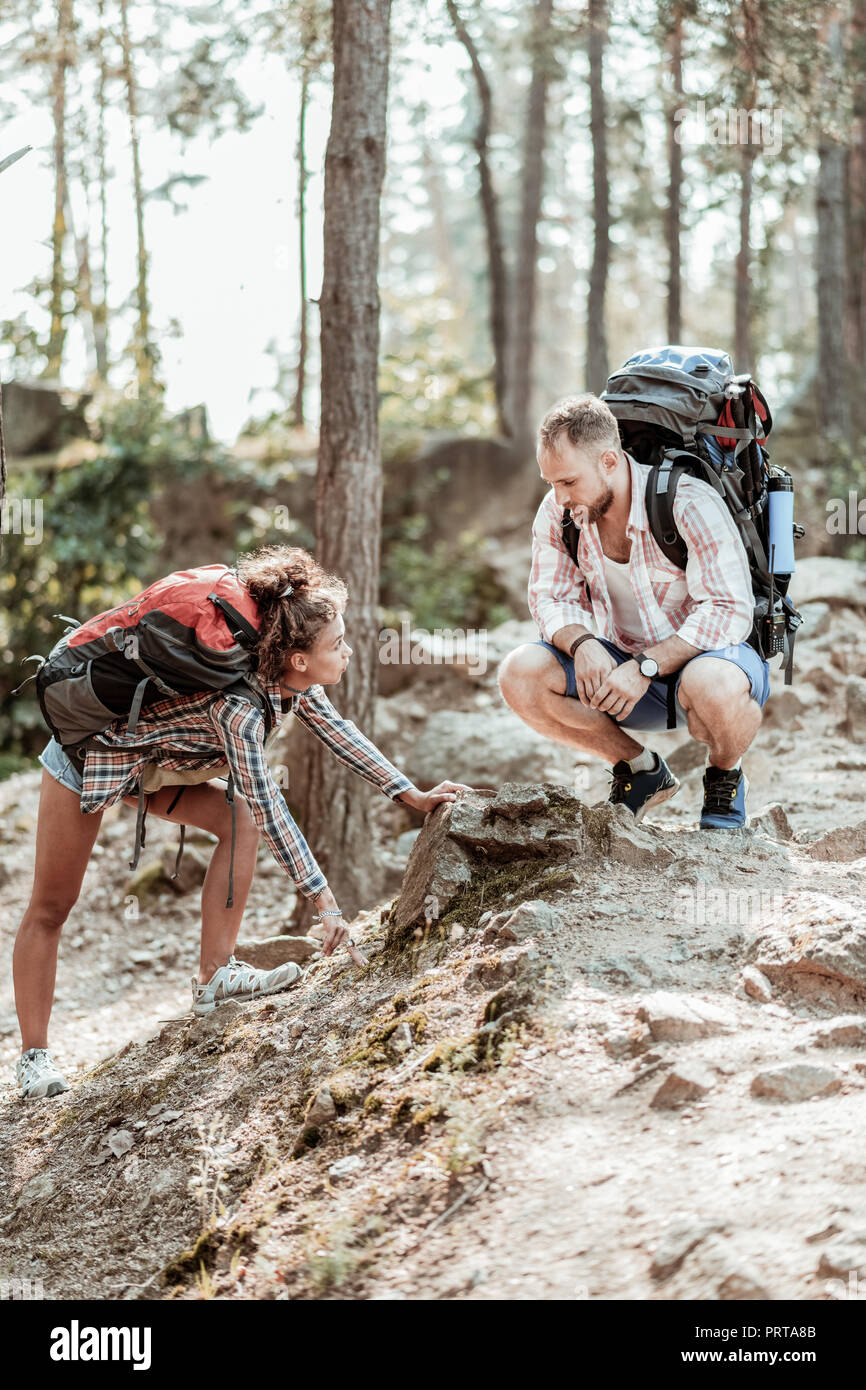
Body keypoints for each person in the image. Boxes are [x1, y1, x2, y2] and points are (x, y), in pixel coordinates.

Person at [13, 545, 470, 1099]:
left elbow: (341, 734)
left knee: (237, 821)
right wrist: (324, 902)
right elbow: (266, 802)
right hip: (91, 756)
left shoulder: (288, 684)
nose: (348, 652)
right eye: (338, 644)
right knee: (51, 906)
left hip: (156, 763)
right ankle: (33, 1059)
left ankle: (216, 976)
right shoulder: (240, 707)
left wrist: (411, 795)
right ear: (298, 658)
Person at [498, 394, 769, 831]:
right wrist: (583, 644)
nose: (558, 496)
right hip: (623, 674)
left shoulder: (687, 501)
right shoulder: (560, 511)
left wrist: (646, 666)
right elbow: (548, 597)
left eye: (568, 481)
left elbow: (727, 608)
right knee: (519, 674)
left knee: (712, 684)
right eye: (550, 482)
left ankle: (725, 775)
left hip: (705, 666)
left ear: (609, 460)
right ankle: (642, 771)